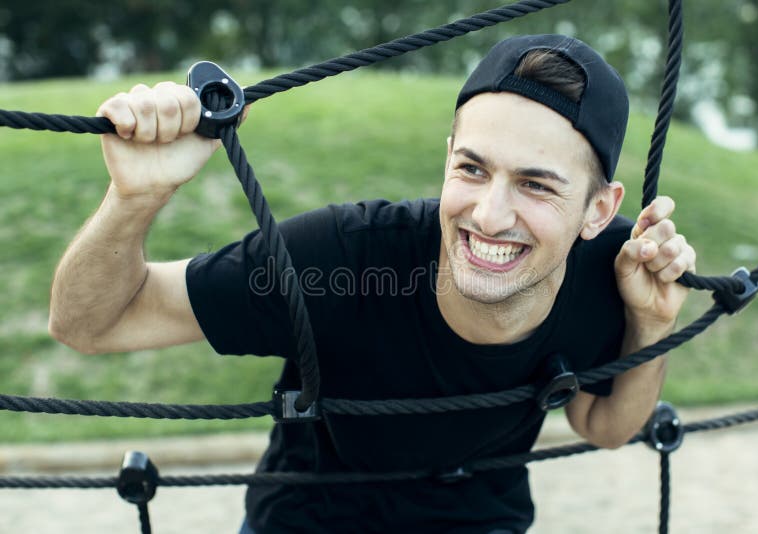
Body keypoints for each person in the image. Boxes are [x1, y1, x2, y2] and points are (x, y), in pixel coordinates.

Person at [49, 34, 696, 533]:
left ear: (599, 210)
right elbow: (92, 323)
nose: (490, 215)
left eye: (535, 185)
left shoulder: (609, 269)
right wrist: (136, 197)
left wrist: (651, 324)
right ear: (448, 158)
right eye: (472, 169)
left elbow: (604, 423)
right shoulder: (341, 261)